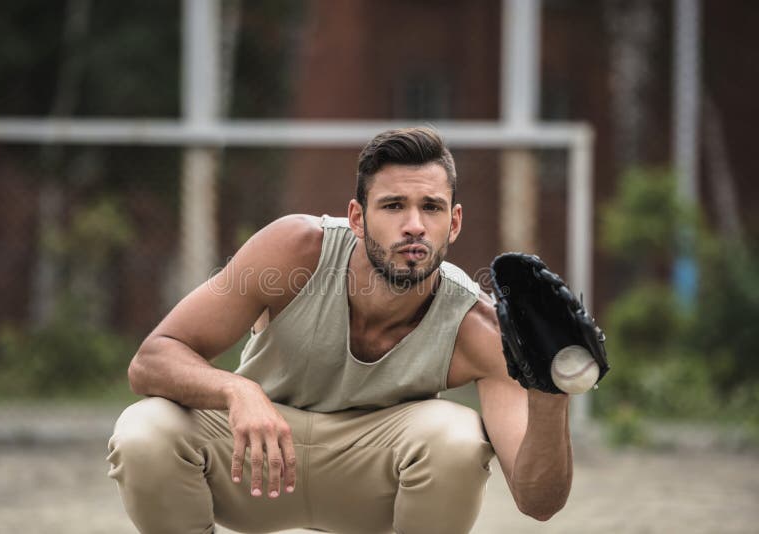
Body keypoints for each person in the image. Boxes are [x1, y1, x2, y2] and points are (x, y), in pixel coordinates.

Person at [107, 127, 573, 534]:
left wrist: (550, 393)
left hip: (368, 487)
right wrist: (237, 391)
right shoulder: (294, 250)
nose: (414, 225)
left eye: (431, 207)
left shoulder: (479, 326)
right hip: (255, 463)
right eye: (393, 205)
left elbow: (539, 502)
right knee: (144, 430)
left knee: (456, 438)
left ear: (453, 223)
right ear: (356, 217)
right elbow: (152, 359)